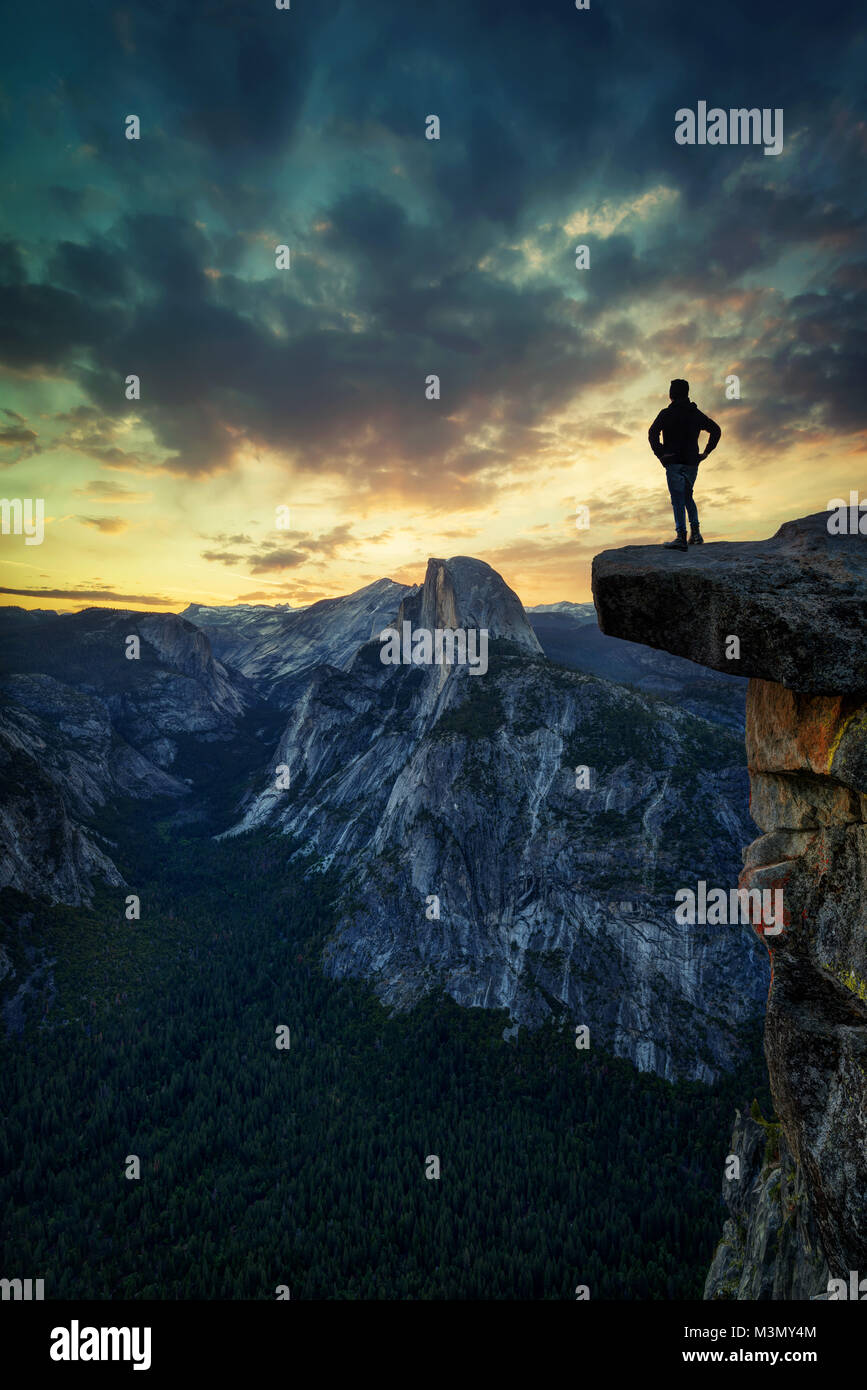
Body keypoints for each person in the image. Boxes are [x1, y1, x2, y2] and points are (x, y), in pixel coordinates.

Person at [648, 379, 721, 551]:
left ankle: (681, 536)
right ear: (687, 393)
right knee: (688, 496)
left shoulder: (666, 414)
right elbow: (716, 430)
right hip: (691, 462)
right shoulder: (695, 414)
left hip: (673, 461)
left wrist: (661, 454)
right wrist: (706, 452)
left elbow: (652, 433)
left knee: (677, 499)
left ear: (671, 394)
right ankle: (695, 534)